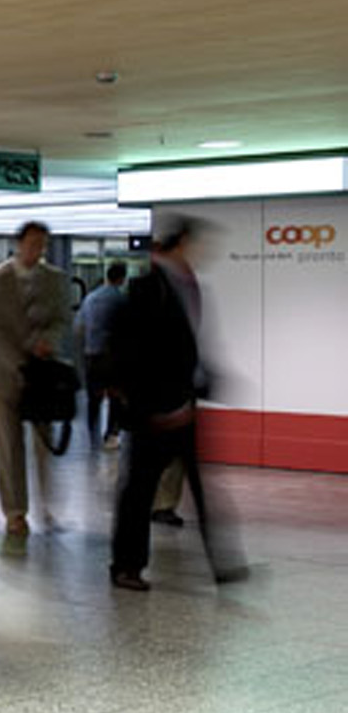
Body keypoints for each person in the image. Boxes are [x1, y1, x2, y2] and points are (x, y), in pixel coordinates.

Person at [108, 217, 246, 591]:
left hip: (184, 406)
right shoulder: (147, 288)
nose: (205, 254)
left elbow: (188, 348)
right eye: (200, 245)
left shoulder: (191, 287)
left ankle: (221, 562)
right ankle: (126, 566)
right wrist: (152, 407)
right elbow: (134, 353)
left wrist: (202, 382)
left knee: (203, 488)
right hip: (154, 413)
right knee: (139, 492)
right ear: (181, 242)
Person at [0, 221, 73, 539]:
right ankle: (15, 513)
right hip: (6, 374)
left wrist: (48, 341)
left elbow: (62, 318)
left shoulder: (55, 279)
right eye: (33, 243)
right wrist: (22, 364)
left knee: (44, 444)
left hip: (43, 375)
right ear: (19, 243)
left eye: (43, 245)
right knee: (9, 446)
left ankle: (49, 506)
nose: (38, 250)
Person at [77, 262, 128, 449]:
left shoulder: (90, 298)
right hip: (113, 357)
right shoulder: (122, 299)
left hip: (92, 354)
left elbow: (80, 326)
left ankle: (92, 434)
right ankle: (111, 436)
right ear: (122, 279)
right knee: (115, 397)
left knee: (94, 398)